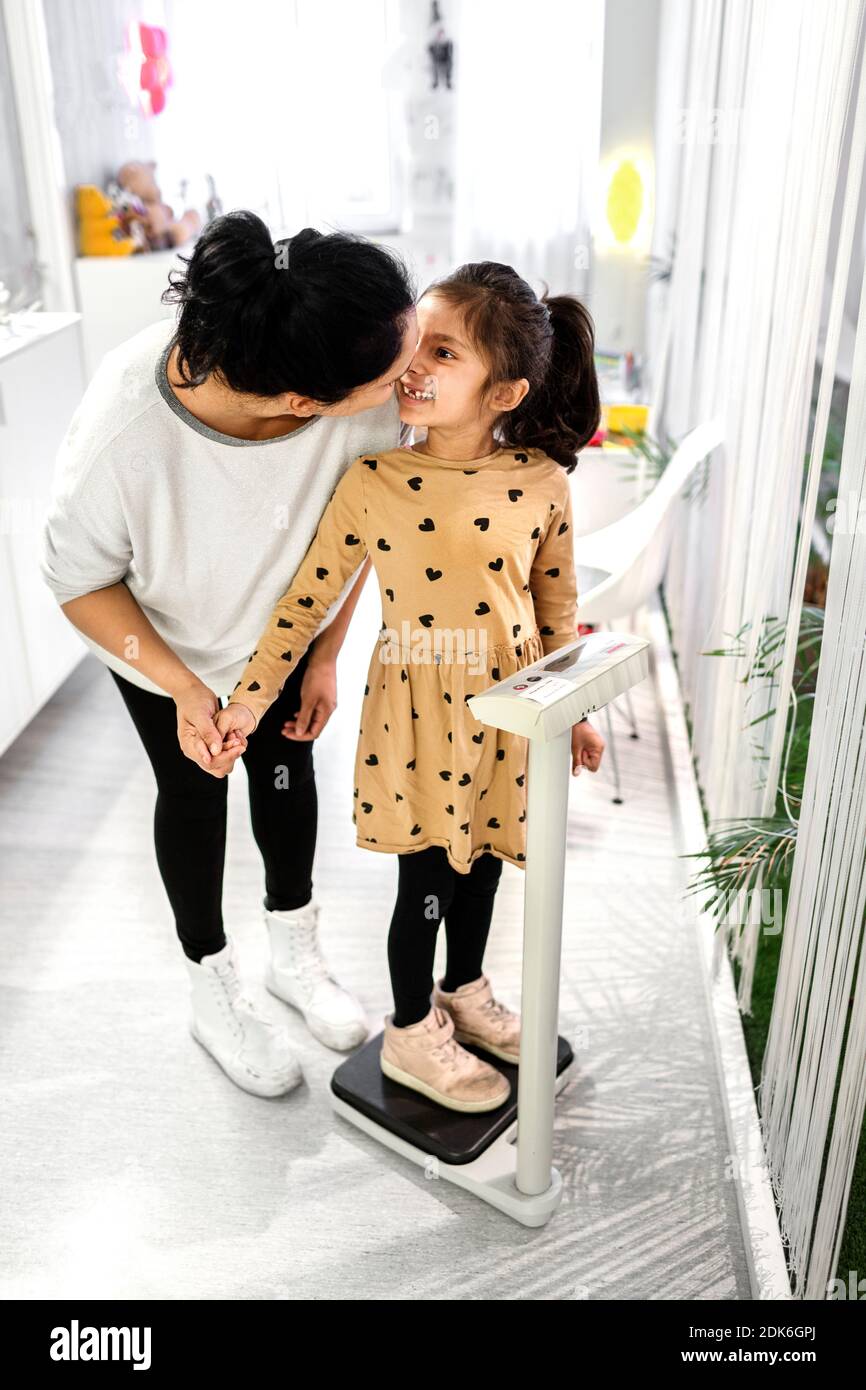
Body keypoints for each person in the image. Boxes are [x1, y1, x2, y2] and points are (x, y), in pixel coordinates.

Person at [40, 211, 418, 1099]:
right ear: (302, 403)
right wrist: (180, 690)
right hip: (159, 641)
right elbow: (79, 582)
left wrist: (324, 656)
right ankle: (211, 980)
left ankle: (293, 948)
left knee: (287, 770)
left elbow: (353, 536)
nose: (413, 381)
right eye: (398, 369)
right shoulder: (122, 432)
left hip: (280, 637)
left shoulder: (357, 403)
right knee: (193, 789)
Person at [214, 260, 606, 1113]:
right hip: (420, 719)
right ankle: (408, 1031)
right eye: (413, 345)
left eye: (444, 352)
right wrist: (248, 699)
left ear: (503, 393)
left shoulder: (541, 482)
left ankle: (462, 991)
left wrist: (573, 712)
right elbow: (304, 603)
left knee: (487, 866)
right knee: (425, 880)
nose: (413, 366)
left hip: (511, 716)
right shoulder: (375, 484)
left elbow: (556, 610)